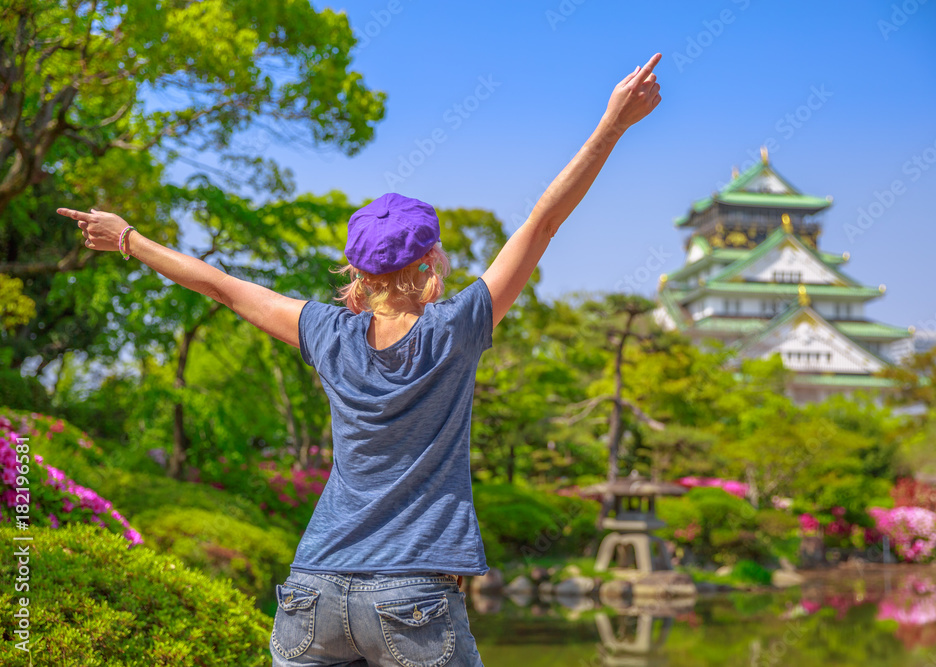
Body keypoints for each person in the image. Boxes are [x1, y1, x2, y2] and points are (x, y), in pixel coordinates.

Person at [58, 52, 662, 667]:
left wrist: (128, 238)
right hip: (413, 597)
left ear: (356, 268)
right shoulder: (456, 326)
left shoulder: (325, 331)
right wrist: (613, 123)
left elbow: (221, 285)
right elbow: (544, 220)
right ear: (429, 264)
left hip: (312, 590)